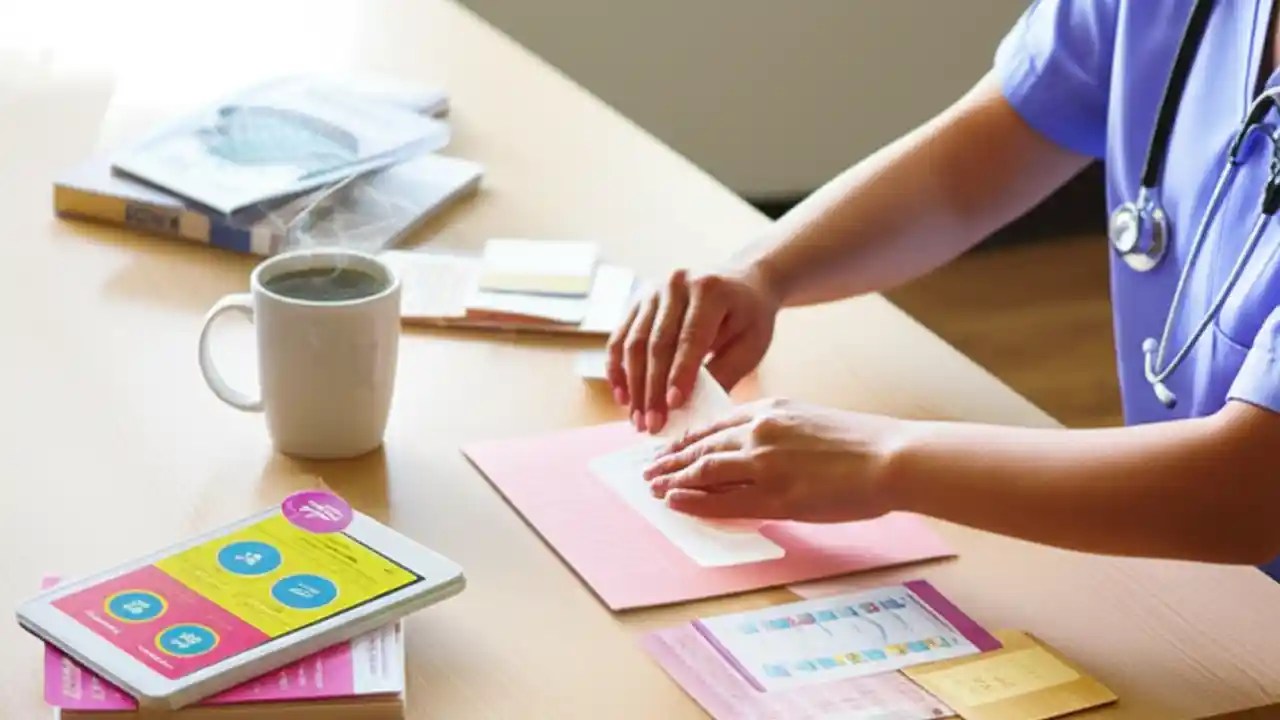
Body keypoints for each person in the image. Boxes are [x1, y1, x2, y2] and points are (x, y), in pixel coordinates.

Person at [605, 0, 1280, 580]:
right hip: (1198, 571)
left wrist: (883, 459)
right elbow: (975, 163)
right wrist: (762, 272)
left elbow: (1246, 487)